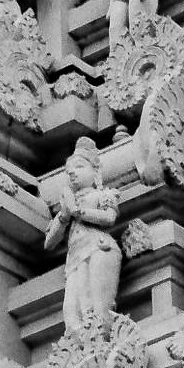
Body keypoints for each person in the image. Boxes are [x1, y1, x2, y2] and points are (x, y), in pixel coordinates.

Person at [44, 138, 121, 335]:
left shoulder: (100, 196)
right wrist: (63, 215)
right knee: (71, 311)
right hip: (75, 257)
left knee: (96, 304)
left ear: (96, 173)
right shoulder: (67, 206)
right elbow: (49, 243)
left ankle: (101, 337)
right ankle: (81, 344)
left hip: (98, 247)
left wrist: (79, 212)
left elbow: (110, 217)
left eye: (79, 166)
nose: (72, 172)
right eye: (68, 170)